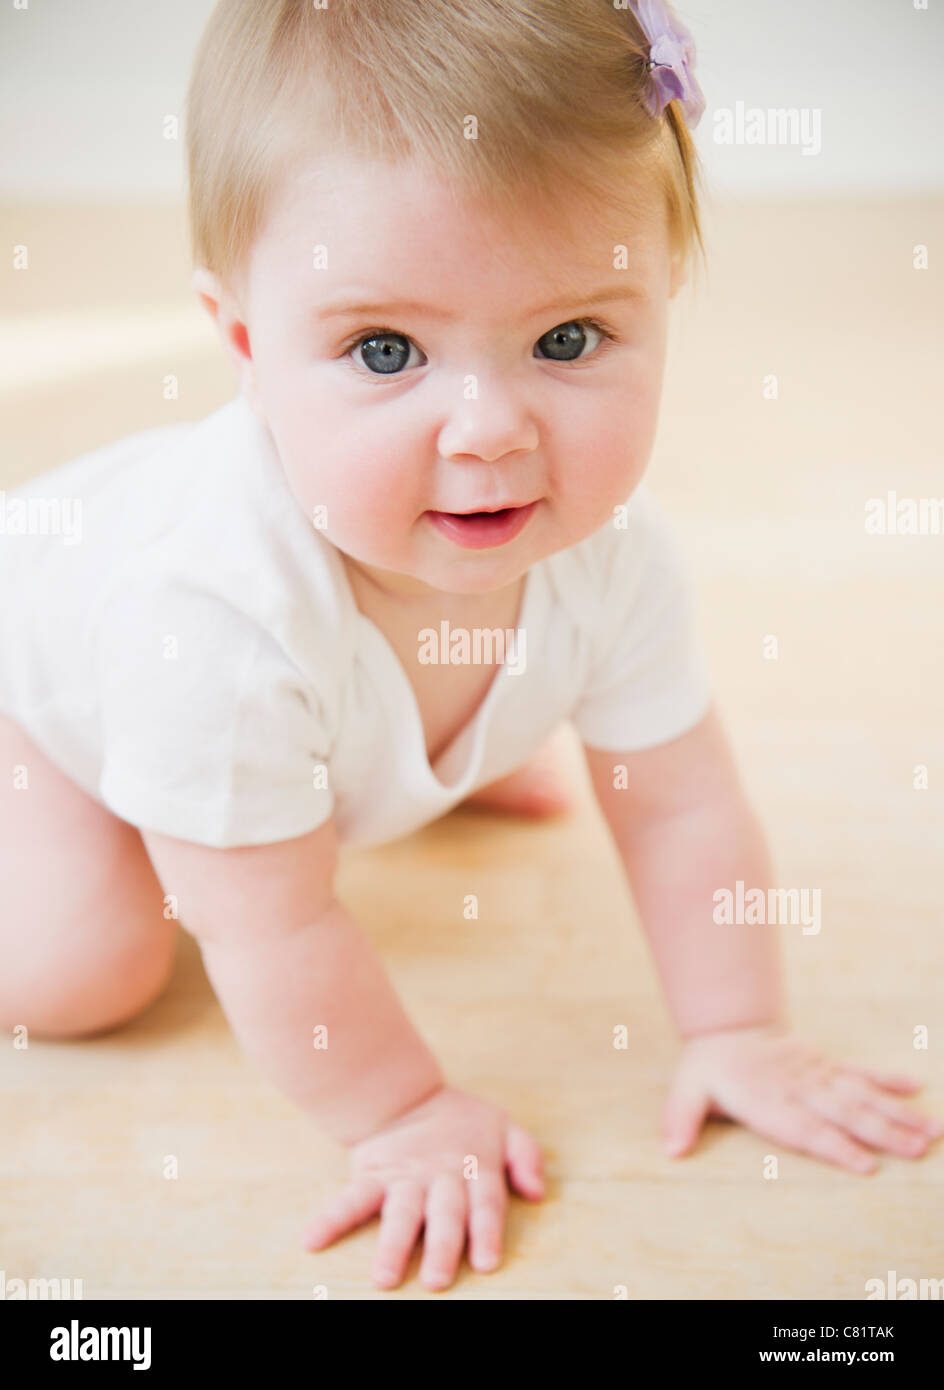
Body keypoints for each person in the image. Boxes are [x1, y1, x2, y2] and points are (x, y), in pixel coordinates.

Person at [1, 0, 940, 1293]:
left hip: (288, 701)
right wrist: (398, 1110)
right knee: (84, 967)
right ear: (244, 348)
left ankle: (405, 739)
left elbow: (681, 809)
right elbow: (272, 930)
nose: (490, 428)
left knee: (393, 727)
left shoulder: (610, 554)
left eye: (568, 340)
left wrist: (739, 1026)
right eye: (386, 351)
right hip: (44, 703)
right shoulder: (210, 617)